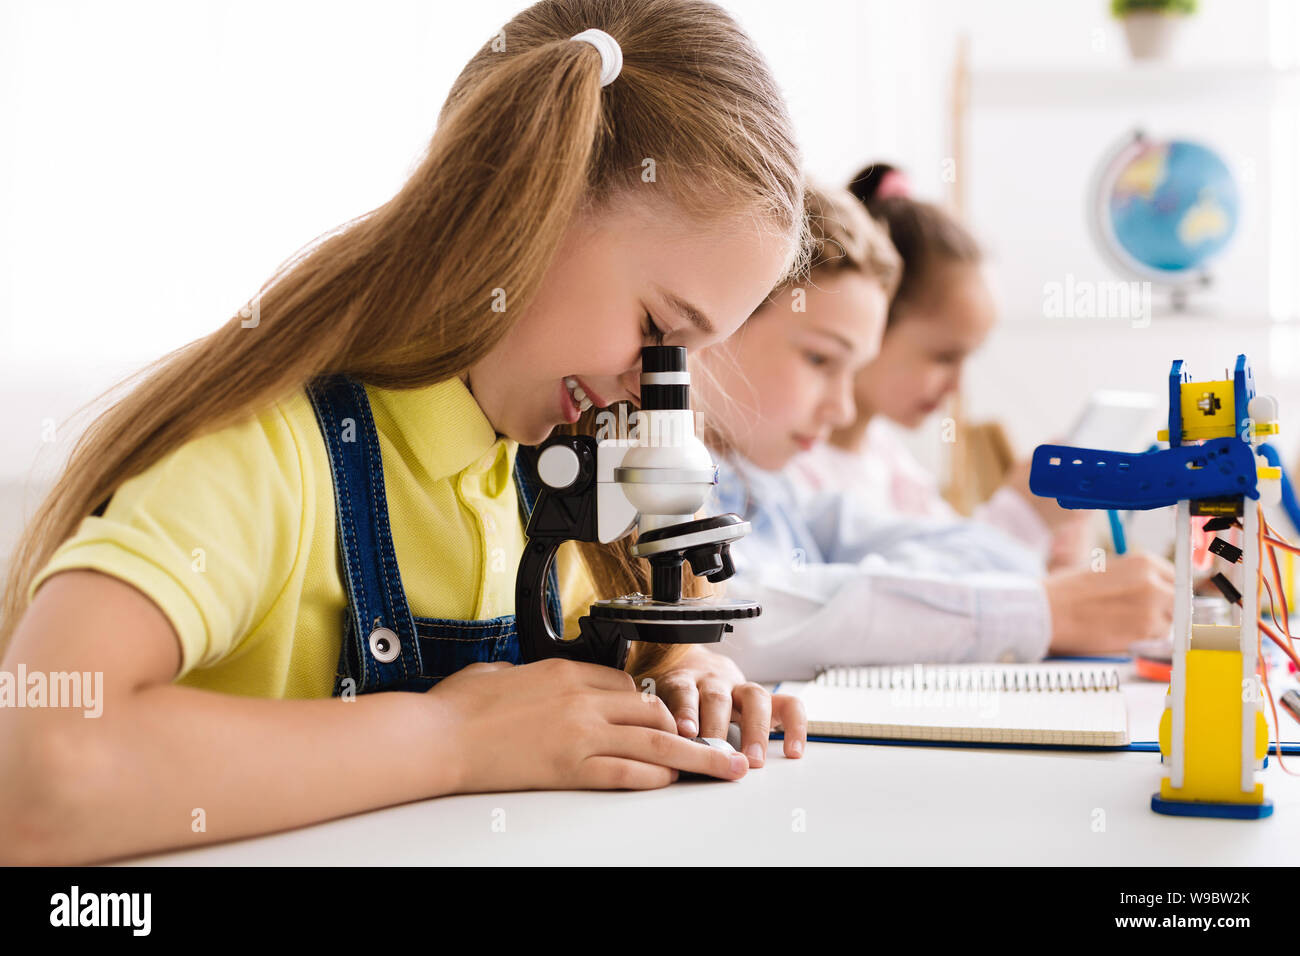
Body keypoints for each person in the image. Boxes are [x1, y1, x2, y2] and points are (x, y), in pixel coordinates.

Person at [0, 0, 810, 865]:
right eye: (658, 329)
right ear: (527, 206)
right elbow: (40, 775)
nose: (652, 394)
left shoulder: (542, 468)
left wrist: (678, 682)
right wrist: (452, 738)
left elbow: (597, 687)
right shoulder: (270, 452)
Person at [694, 180, 1174, 684]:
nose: (841, 407)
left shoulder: (772, 491)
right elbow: (731, 621)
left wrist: (1045, 578)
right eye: (820, 359)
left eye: (852, 367)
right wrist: (1042, 610)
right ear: (720, 321)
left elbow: (922, 557)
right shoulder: (663, 480)